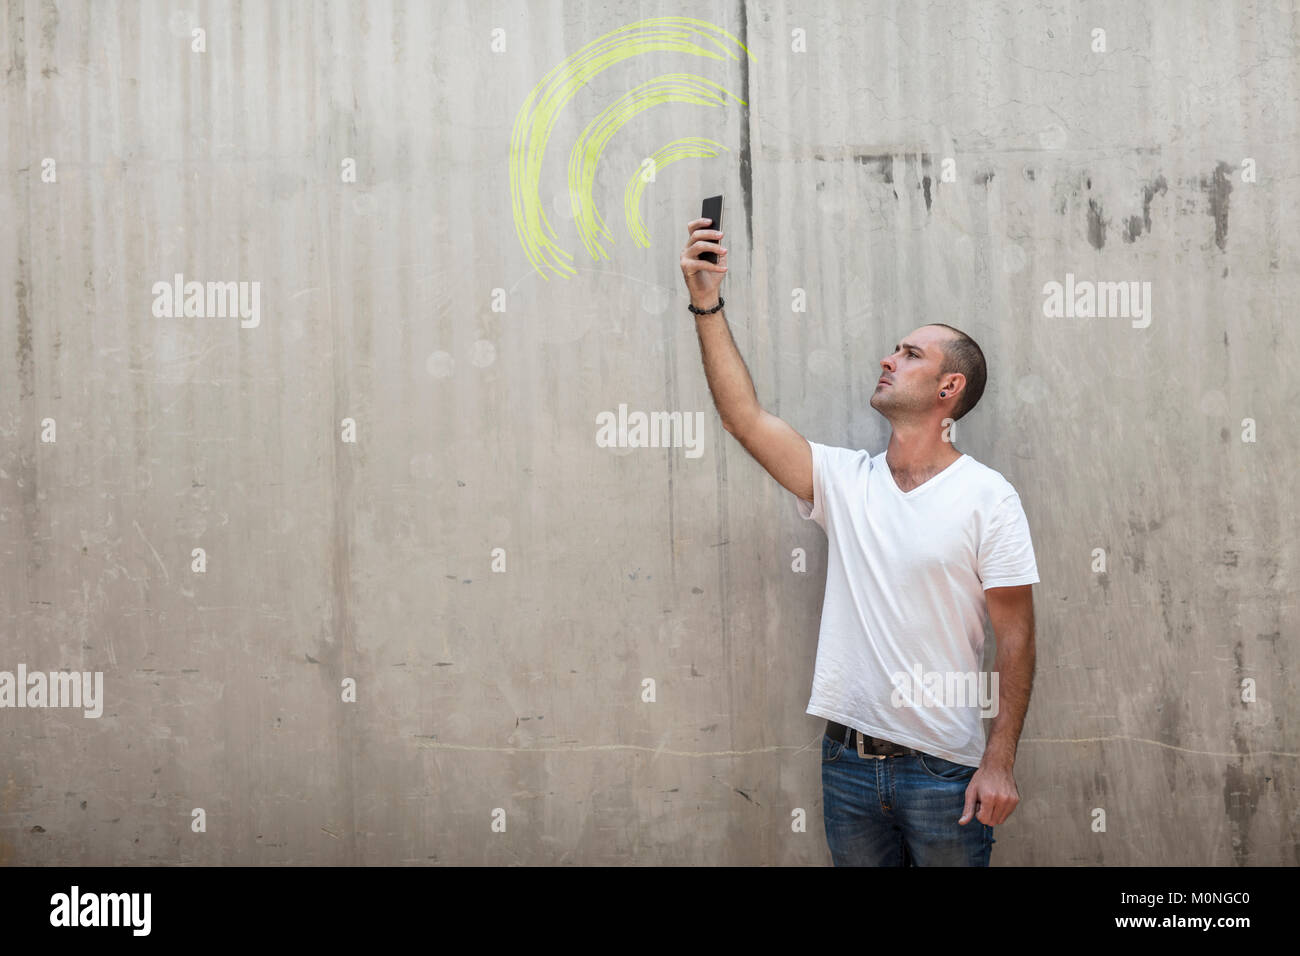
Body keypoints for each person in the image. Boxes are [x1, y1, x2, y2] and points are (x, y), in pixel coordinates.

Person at [679, 216, 1039, 866]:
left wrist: (999, 762)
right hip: (845, 763)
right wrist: (706, 301)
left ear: (947, 388)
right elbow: (743, 418)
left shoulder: (989, 498)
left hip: (945, 777)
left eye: (910, 354)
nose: (887, 358)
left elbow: (1016, 636)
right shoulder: (846, 482)